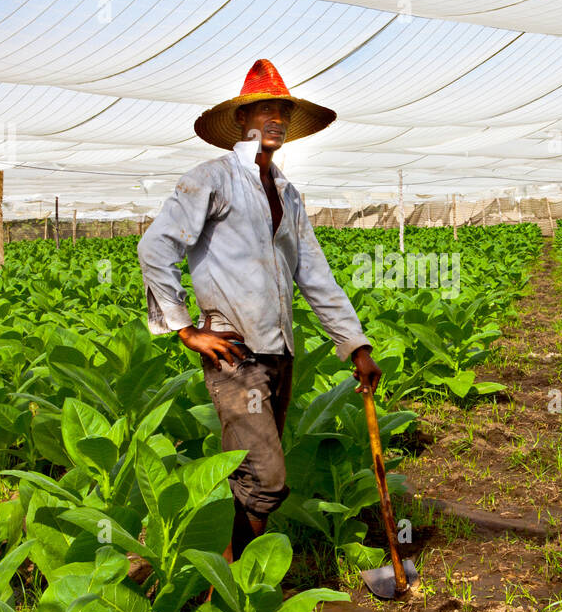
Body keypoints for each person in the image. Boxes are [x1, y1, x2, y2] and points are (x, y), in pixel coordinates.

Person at [137, 59, 381, 564]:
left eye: (283, 112)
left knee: (253, 475)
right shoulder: (211, 178)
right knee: (267, 476)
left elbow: (314, 273)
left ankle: (205, 568)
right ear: (242, 121)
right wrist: (184, 328)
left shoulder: (287, 194)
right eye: (263, 109)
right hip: (234, 350)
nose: (275, 119)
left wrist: (354, 344)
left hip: (278, 351)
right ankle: (233, 576)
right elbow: (156, 248)